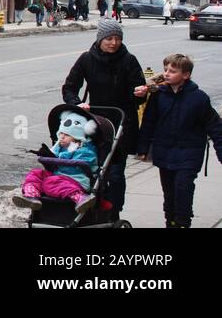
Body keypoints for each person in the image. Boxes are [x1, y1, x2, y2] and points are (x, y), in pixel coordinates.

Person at [61, 18, 149, 218]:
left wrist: (139, 93)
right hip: (96, 123)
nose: (114, 43)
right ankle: (92, 209)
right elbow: (69, 87)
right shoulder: (87, 59)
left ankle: (114, 211)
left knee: (116, 173)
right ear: (100, 39)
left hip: (121, 123)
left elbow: (139, 89)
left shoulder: (129, 60)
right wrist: (76, 103)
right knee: (92, 169)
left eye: (117, 38)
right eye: (109, 38)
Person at [136, 53, 222, 228]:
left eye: (173, 71)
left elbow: (214, 126)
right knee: (169, 192)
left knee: (183, 188)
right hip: (164, 152)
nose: (167, 74)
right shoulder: (158, 95)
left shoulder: (199, 98)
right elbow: (148, 122)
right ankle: (171, 221)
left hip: (190, 153)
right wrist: (143, 147)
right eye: (166, 69)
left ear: (186, 75)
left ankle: (183, 222)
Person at [13, 107, 100, 215]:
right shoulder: (59, 146)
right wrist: (47, 155)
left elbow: (81, 163)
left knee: (50, 182)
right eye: (61, 134)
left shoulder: (85, 150)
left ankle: (81, 198)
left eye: (67, 135)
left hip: (76, 180)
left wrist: (59, 159)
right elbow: (52, 158)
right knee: (35, 173)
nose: (62, 137)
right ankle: (32, 197)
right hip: (58, 177)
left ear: (78, 137)